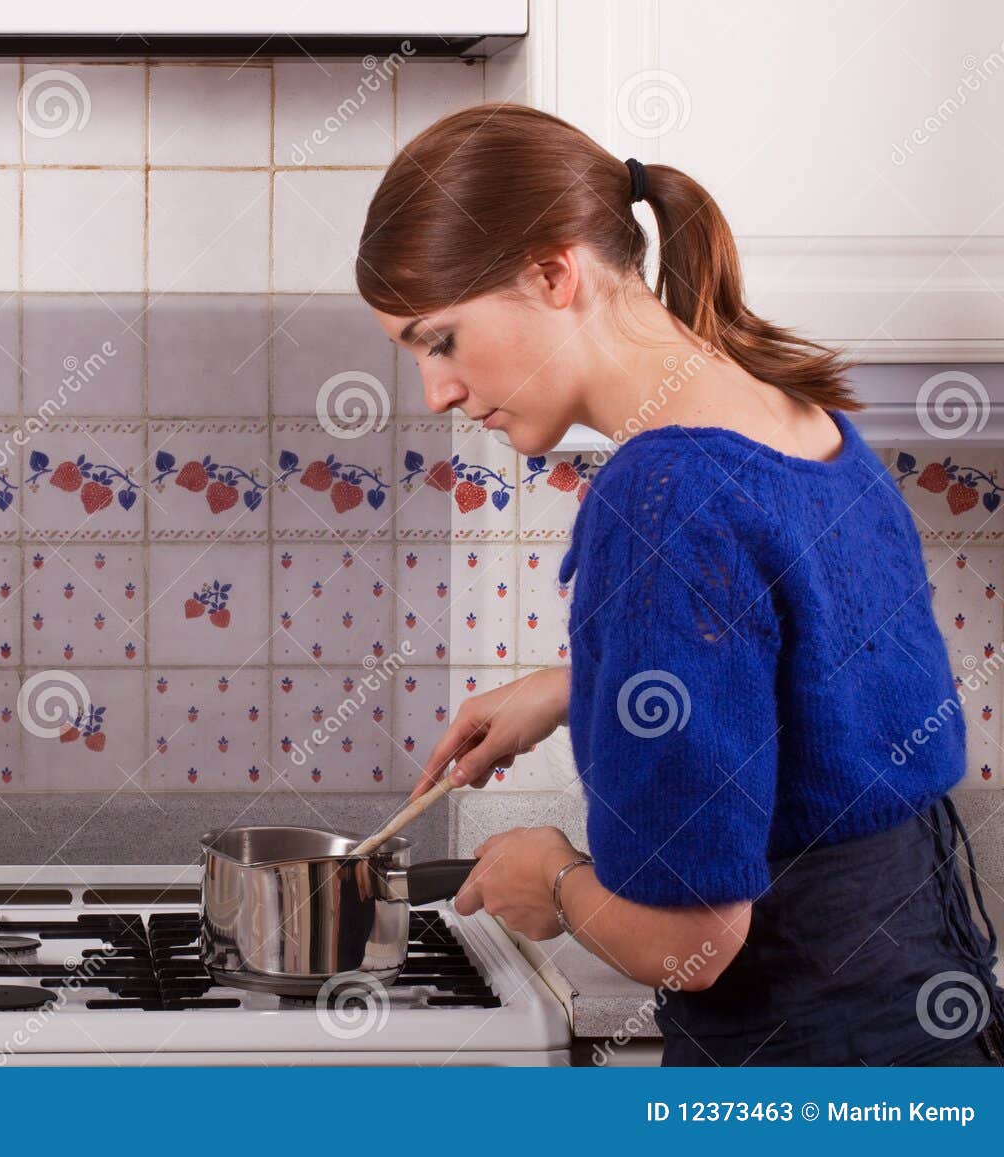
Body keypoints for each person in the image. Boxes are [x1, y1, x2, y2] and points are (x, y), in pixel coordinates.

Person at [356, 104, 1004, 1066]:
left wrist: (555, 878)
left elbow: (692, 944)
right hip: (929, 1022)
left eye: (439, 340)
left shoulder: (657, 499)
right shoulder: (785, 406)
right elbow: (813, 669)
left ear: (552, 272)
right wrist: (577, 684)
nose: (435, 393)